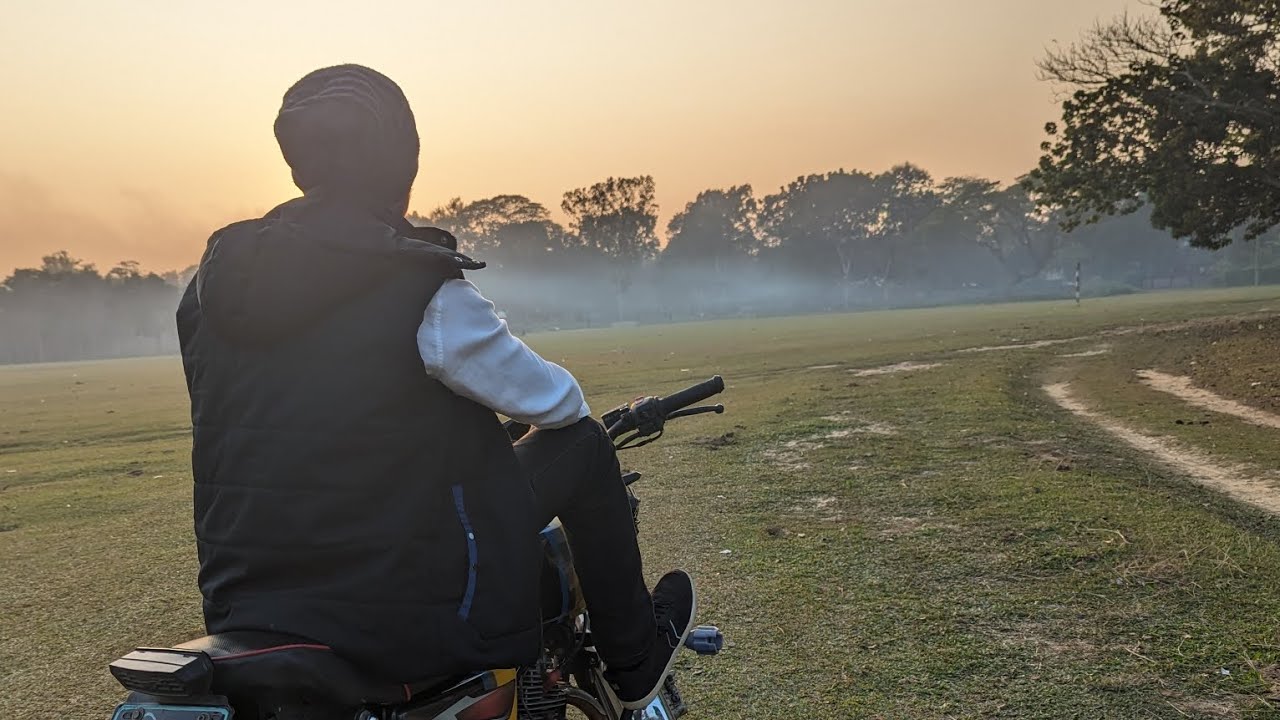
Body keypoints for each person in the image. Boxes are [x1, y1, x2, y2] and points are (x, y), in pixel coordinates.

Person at [176, 64, 694, 710]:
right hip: (400, 605)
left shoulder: (206, 299)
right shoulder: (412, 281)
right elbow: (557, 403)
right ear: (401, 162)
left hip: (246, 603)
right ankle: (636, 660)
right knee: (585, 443)